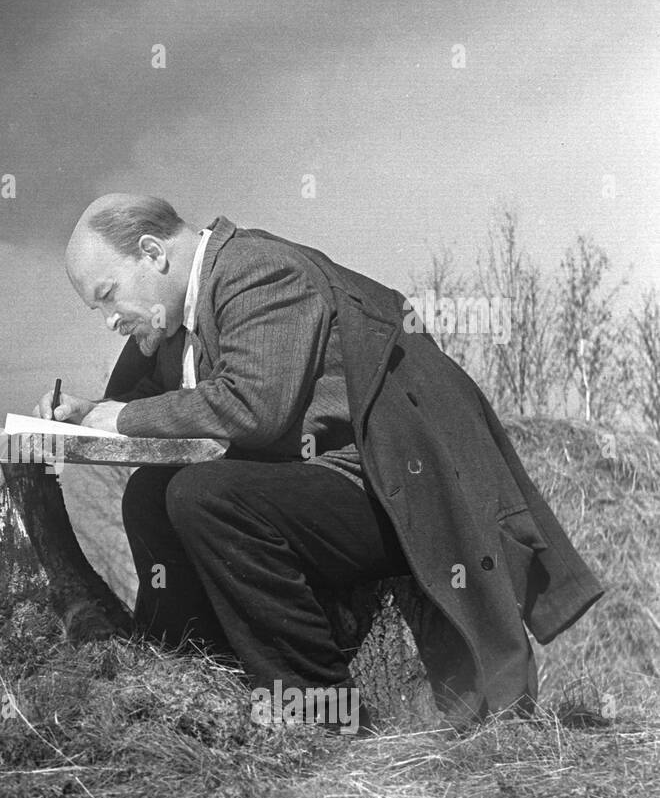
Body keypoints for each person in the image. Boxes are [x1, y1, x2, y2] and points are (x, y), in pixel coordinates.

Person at [35, 194, 602, 726]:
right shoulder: (171, 319)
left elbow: (252, 406)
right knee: (149, 496)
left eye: (107, 295)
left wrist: (120, 418)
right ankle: (191, 685)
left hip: (386, 492)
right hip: (316, 488)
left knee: (204, 495)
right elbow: (133, 404)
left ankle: (320, 714)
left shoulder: (255, 271)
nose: (109, 320)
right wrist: (84, 412)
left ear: (152, 253)